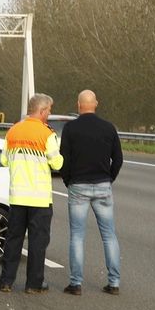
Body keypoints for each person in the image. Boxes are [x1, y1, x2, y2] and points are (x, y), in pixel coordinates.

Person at [57, 90, 123, 296]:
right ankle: (114, 283)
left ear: (79, 105)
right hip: (102, 185)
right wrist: (109, 178)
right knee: (109, 235)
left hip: (78, 186)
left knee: (77, 236)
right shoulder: (108, 128)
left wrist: (68, 181)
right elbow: (118, 159)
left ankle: (75, 283)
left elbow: (63, 160)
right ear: (96, 104)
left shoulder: (70, 128)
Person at [0, 93, 64, 294]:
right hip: (40, 198)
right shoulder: (47, 134)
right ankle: (34, 284)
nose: (49, 114)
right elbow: (57, 163)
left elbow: (4, 161)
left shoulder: (13, 130)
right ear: (42, 111)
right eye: (49, 110)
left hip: (17, 196)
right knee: (37, 242)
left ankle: (6, 281)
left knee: (13, 240)